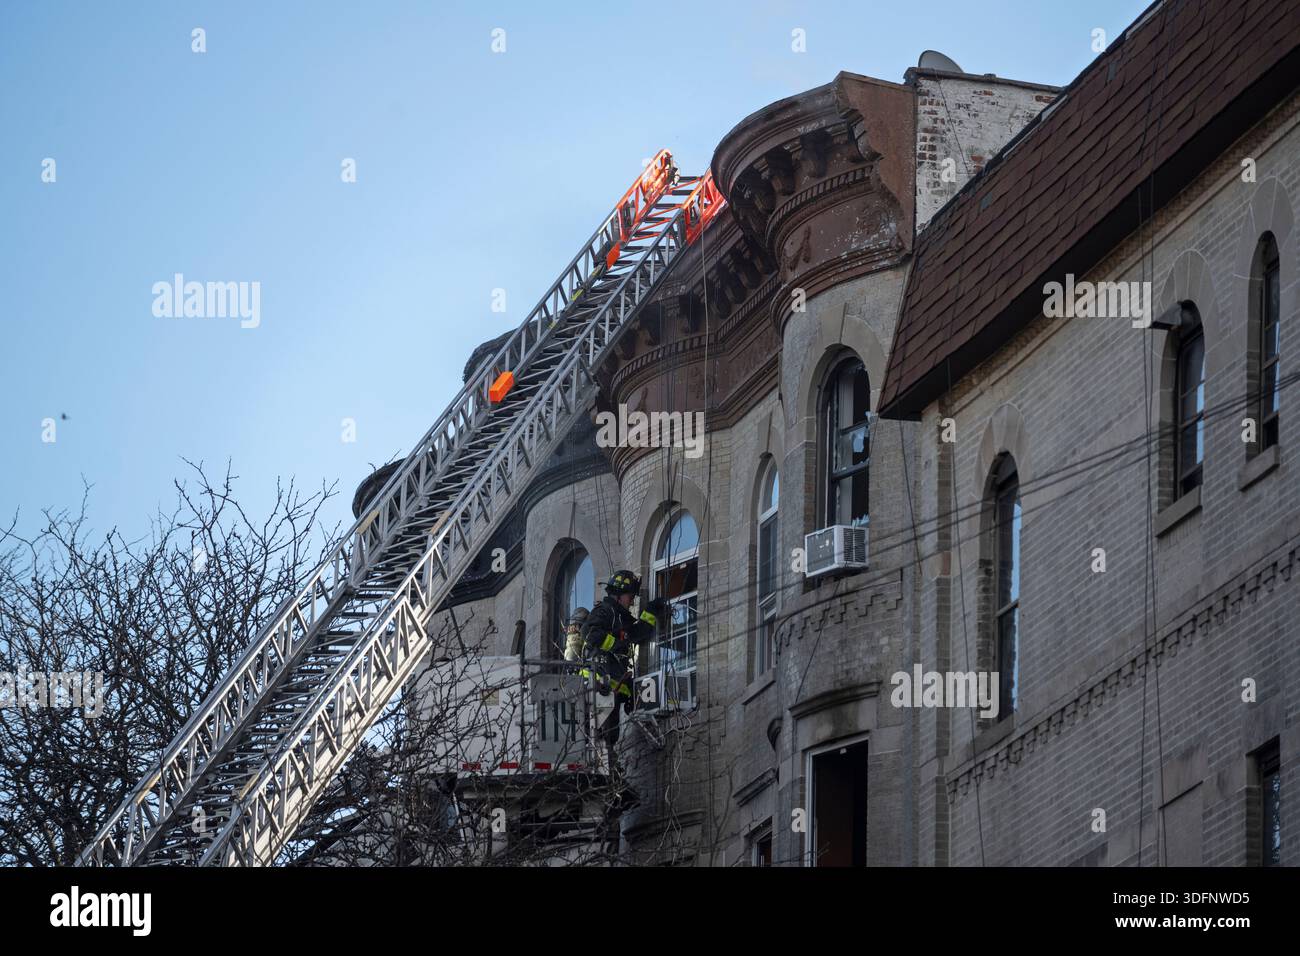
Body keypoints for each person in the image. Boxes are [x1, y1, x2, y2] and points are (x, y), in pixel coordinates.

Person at [579, 570, 666, 772]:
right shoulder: (605, 612)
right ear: (619, 594)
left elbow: (637, 634)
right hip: (599, 685)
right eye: (630, 596)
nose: (632, 600)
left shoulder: (621, 618)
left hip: (613, 687)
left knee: (610, 734)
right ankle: (605, 772)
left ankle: (610, 770)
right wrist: (617, 644)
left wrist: (652, 612)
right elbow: (589, 633)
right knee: (601, 734)